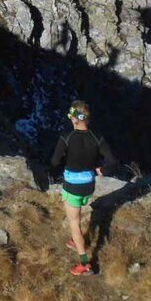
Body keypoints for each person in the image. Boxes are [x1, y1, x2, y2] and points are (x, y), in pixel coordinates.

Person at [49, 100, 115, 276]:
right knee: (77, 220)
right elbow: (112, 161)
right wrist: (101, 169)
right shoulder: (96, 137)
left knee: (74, 223)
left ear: (73, 118)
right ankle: (77, 241)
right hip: (89, 185)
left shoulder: (67, 137)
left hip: (72, 186)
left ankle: (84, 263)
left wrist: (67, 160)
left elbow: (54, 161)